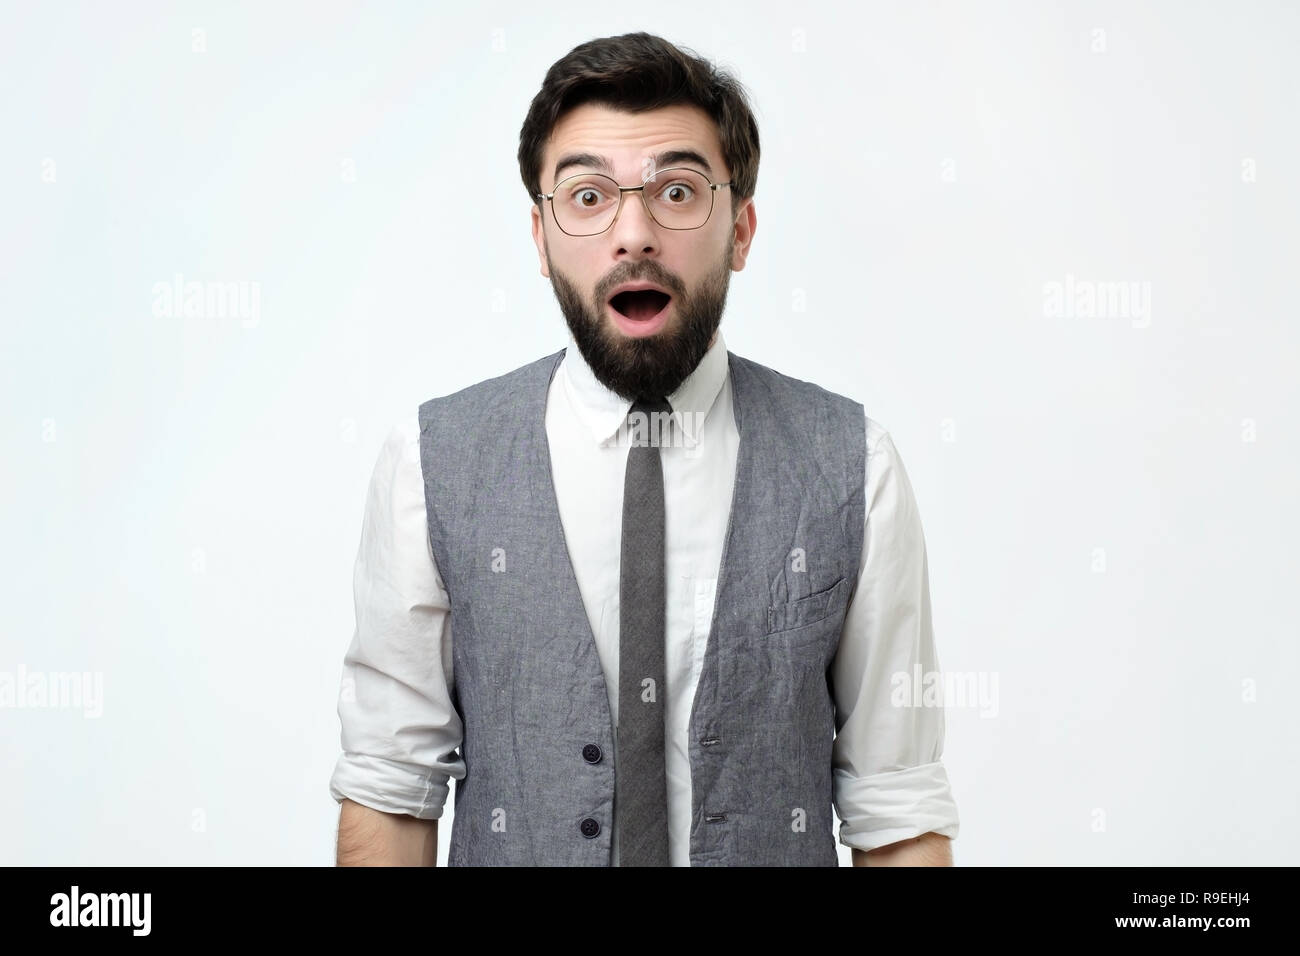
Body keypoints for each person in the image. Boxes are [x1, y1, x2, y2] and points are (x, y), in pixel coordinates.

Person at [329, 31, 959, 866]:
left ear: (741, 230)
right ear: (542, 240)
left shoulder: (856, 466)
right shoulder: (429, 464)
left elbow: (897, 807)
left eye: (677, 190)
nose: (634, 234)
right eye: (588, 196)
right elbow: (390, 789)